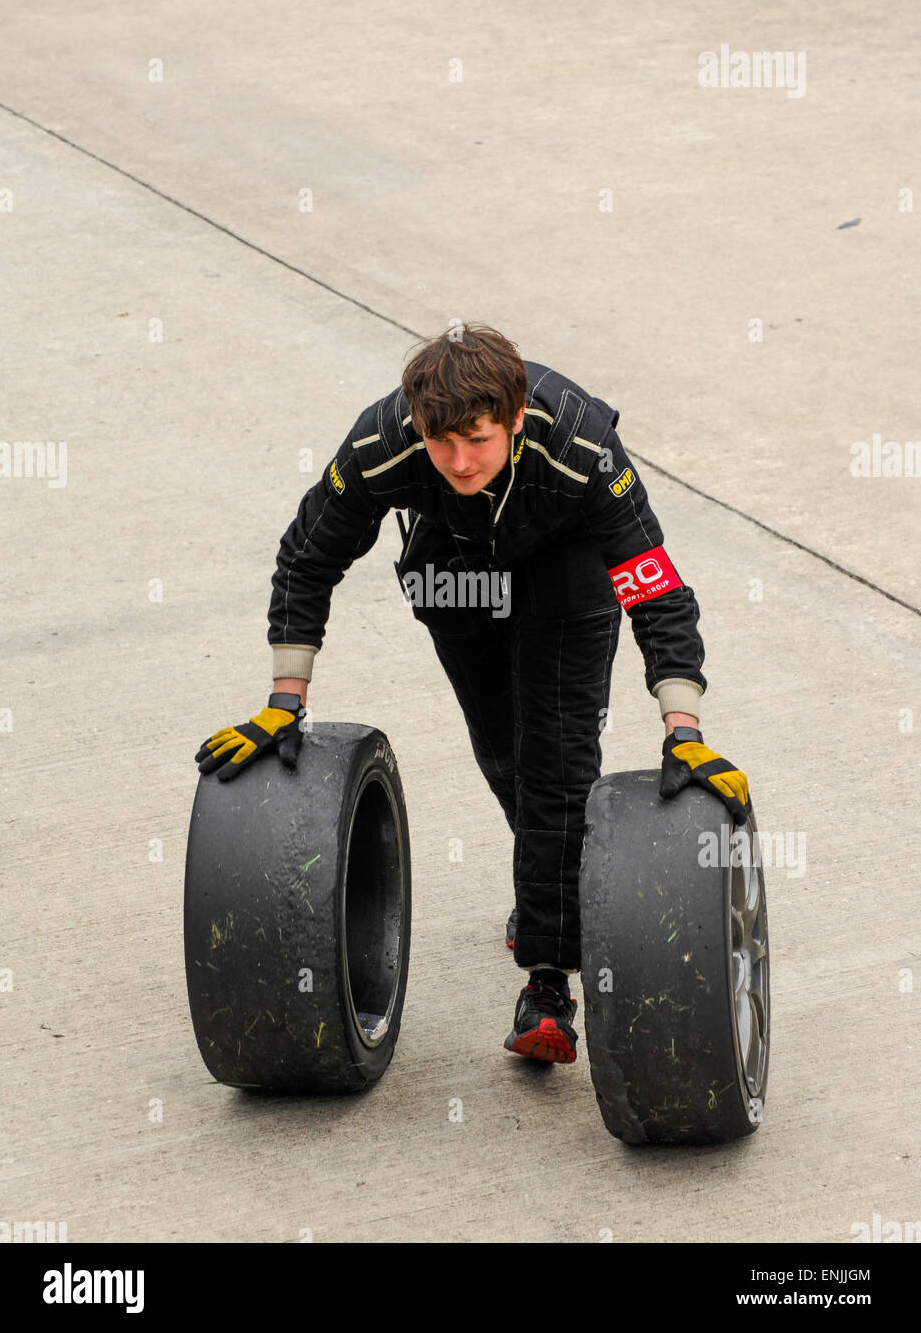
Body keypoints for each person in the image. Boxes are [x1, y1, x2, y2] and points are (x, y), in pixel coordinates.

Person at [195, 324, 750, 1065]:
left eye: (478, 442)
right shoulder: (383, 441)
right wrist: (283, 702)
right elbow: (308, 556)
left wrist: (684, 728)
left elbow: (655, 589)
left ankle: (548, 985)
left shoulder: (583, 446)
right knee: (502, 749)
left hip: (565, 571)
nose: (458, 461)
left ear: (516, 421)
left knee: (555, 763)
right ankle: (550, 880)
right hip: (456, 575)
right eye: (440, 443)